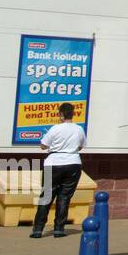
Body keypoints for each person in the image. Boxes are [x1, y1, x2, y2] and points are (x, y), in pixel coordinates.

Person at [31, 102, 86, 239]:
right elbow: (81, 146)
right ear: (72, 114)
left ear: (61, 114)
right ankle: (59, 229)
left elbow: (43, 146)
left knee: (46, 196)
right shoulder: (79, 129)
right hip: (73, 163)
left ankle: (38, 229)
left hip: (53, 163)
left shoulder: (55, 128)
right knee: (64, 197)